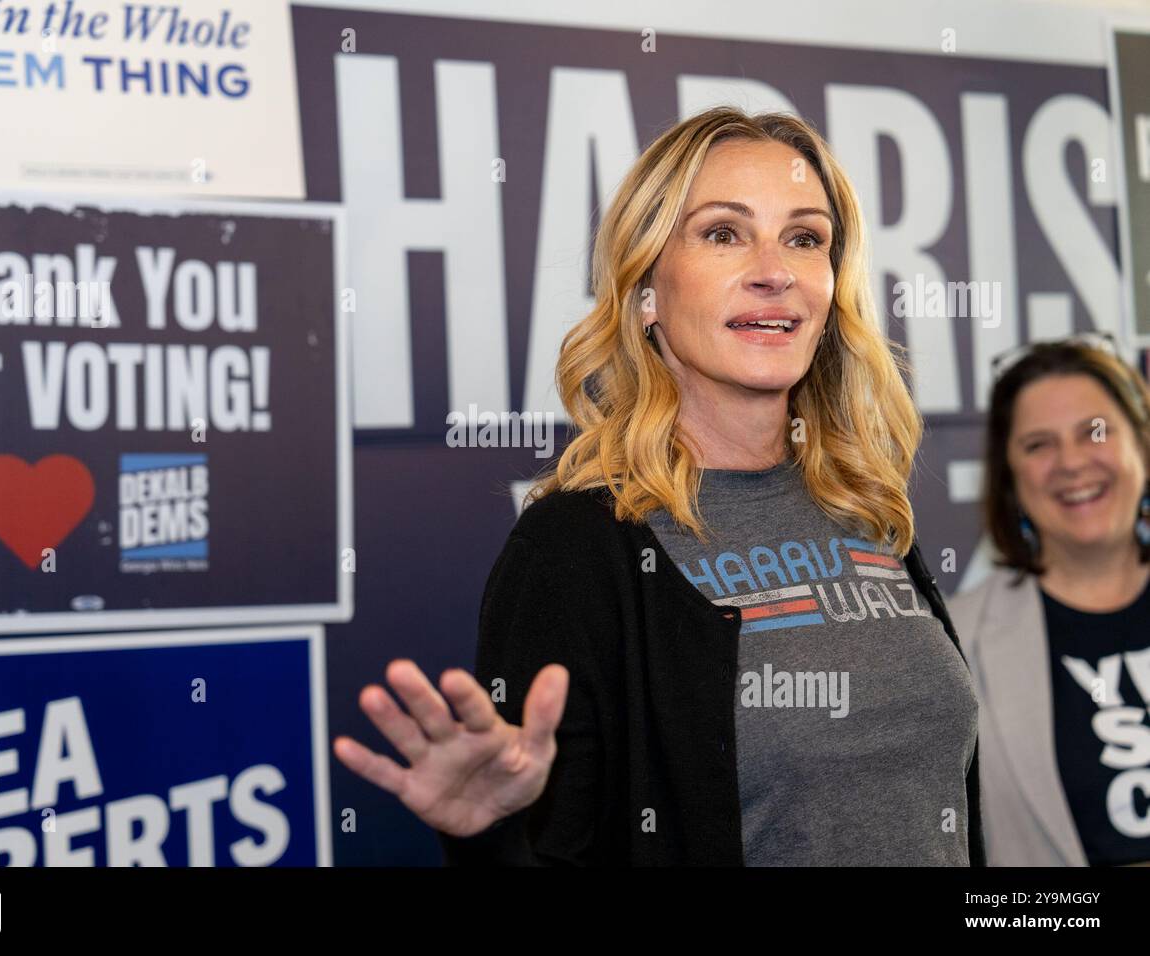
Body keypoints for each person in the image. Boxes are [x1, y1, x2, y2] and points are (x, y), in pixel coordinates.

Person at [331, 105, 984, 865]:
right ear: (646, 290)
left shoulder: (868, 513)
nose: (775, 271)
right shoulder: (576, 549)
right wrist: (501, 835)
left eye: (805, 238)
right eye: (722, 233)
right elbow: (550, 844)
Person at [947, 335, 1150, 866]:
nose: (1071, 462)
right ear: (1010, 479)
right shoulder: (956, 644)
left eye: (1095, 433)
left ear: (1142, 448)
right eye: (1038, 445)